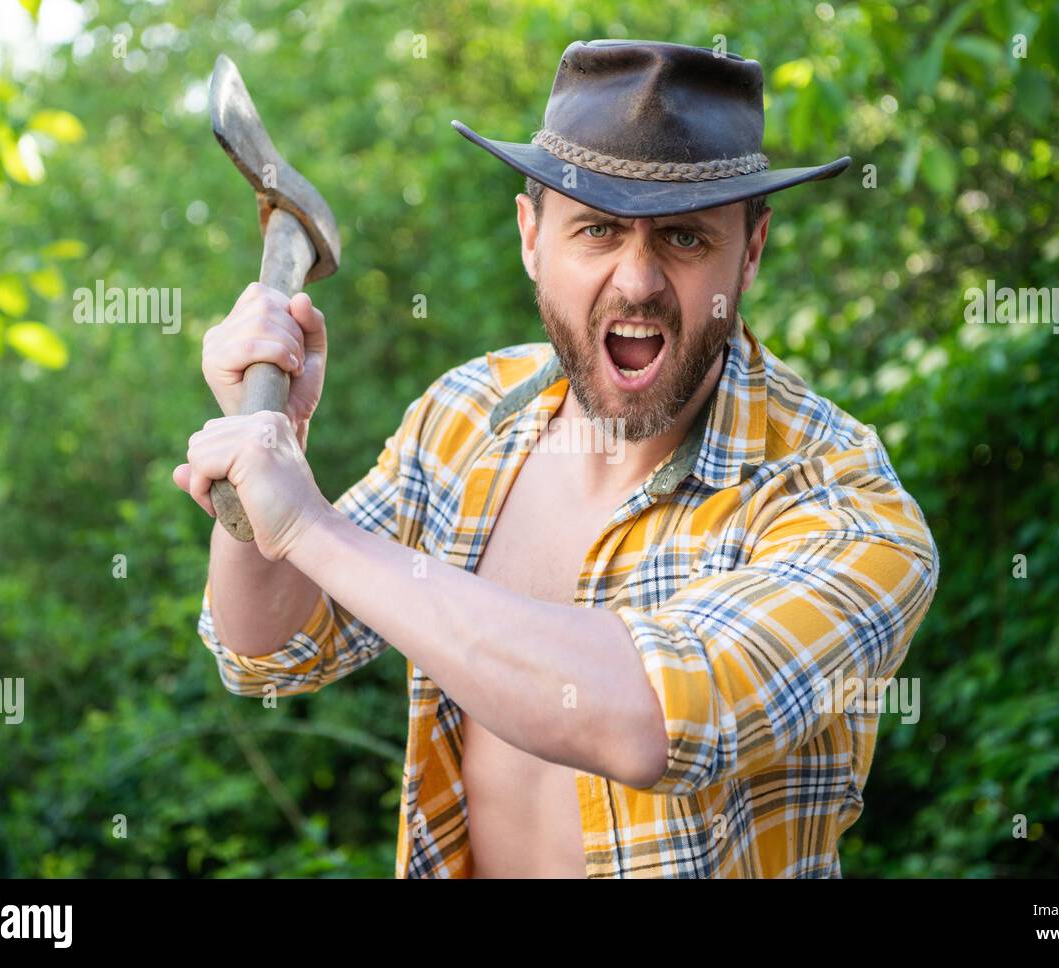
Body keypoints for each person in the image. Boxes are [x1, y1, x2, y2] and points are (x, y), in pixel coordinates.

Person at [174, 38, 939, 878]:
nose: (638, 281)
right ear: (532, 236)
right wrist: (272, 441)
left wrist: (313, 525)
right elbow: (270, 648)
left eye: (684, 239)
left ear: (750, 252)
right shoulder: (464, 418)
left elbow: (655, 718)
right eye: (599, 230)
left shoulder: (845, 506)